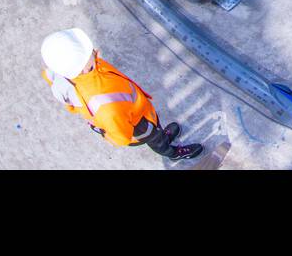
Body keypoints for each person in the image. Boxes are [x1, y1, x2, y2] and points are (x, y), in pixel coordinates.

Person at [40, 28, 202, 160]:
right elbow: (120, 137)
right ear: (82, 68)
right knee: (155, 139)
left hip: (134, 112)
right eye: (89, 52)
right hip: (138, 125)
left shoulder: (64, 71)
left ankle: (162, 137)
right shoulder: (105, 104)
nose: (94, 51)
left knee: (156, 132)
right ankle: (171, 152)